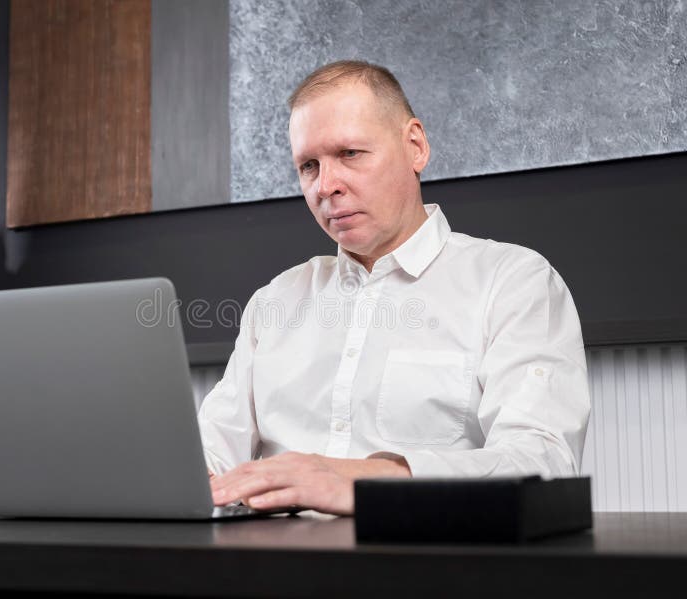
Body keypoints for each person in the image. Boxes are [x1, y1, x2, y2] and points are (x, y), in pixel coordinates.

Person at [199, 60, 591, 516]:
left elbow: (545, 463)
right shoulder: (273, 303)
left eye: (349, 153)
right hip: (264, 574)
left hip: (428, 569)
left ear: (415, 147)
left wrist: (364, 481)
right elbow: (207, 459)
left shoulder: (514, 283)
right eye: (309, 165)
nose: (326, 186)